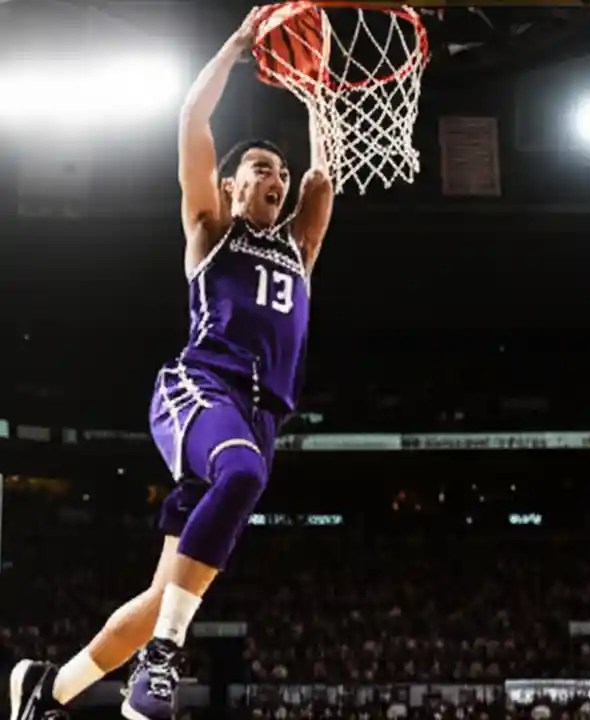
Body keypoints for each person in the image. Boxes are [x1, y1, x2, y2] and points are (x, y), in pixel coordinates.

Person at [8, 6, 333, 720]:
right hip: (200, 390)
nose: (276, 179)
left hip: (258, 420)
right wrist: (237, 46)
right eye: (260, 169)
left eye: (279, 173)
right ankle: (161, 659)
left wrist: (315, 89)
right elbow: (192, 120)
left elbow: (322, 175)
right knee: (241, 477)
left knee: (165, 594)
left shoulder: (299, 249)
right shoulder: (210, 229)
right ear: (231, 186)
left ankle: (46, 692)